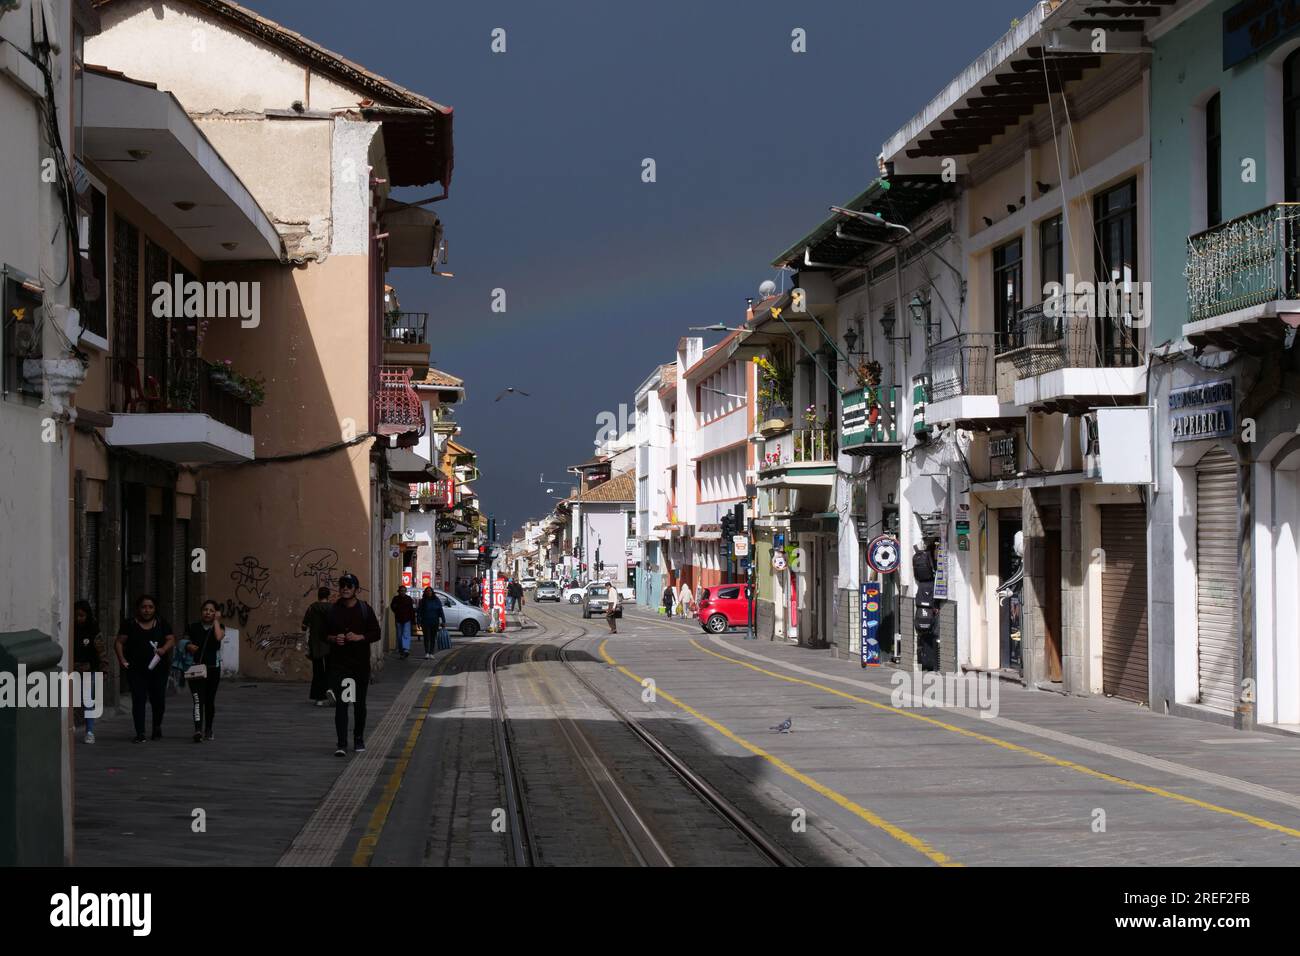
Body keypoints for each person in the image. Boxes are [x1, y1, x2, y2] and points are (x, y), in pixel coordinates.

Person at [325, 573, 381, 756]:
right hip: (341, 666)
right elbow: (323, 634)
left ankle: (358, 739)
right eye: (342, 585)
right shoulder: (333, 610)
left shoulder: (365, 609)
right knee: (342, 704)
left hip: (359, 666)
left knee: (359, 705)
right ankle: (341, 744)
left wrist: (360, 637)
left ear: (356, 589)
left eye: (349, 586)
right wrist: (334, 638)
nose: (345, 589)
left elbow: (376, 633)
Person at [115, 595, 176, 742]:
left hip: (158, 669)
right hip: (136, 669)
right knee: (138, 699)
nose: (147, 610)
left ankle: (157, 726)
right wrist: (122, 660)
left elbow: (171, 639)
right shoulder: (129, 624)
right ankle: (140, 732)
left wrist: (163, 649)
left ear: (155, 609)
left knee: (158, 700)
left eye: (150, 607)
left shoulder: (161, 623)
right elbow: (119, 643)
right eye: (143, 607)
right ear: (138, 609)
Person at [182, 600, 224, 742]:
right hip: (195, 668)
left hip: (213, 669)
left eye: (212, 610)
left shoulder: (219, 626)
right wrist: (188, 645)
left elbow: (218, 637)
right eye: (205, 609)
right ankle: (198, 730)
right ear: (201, 611)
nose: (208, 612)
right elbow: (183, 641)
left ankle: (209, 729)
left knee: (209, 701)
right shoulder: (192, 627)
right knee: (197, 700)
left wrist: (217, 621)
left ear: (216, 613)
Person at [73, 600, 104, 744]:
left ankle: (90, 730)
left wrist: (103, 669)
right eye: (76, 615)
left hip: (89, 669)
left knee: (88, 700)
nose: (79, 618)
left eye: (81, 615)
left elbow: (101, 651)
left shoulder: (93, 630)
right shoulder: (71, 629)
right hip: (72, 669)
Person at [301, 586, 333, 705]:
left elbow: (304, 626)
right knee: (330, 669)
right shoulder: (332, 608)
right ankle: (330, 692)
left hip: (315, 644)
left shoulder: (312, 608)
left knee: (318, 671)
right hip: (330, 644)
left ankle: (319, 698)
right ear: (328, 596)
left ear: (318, 595)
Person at [419, 586, 446, 657]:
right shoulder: (423, 601)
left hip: (434, 621)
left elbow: (440, 610)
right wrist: (418, 621)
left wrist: (443, 621)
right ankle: (427, 652)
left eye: (430, 591)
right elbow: (419, 612)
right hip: (425, 621)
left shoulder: (437, 600)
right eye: (427, 591)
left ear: (432, 592)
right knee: (426, 637)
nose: (429, 592)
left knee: (433, 637)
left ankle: (431, 652)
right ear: (425, 592)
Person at [390, 585, 415, 659]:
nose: (402, 592)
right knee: (399, 636)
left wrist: (413, 620)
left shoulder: (408, 599)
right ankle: (401, 651)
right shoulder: (396, 599)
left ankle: (406, 650)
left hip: (407, 619)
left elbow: (411, 610)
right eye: (401, 591)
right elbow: (392, 606)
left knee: (406, 634)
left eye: (404, 591)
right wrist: (396, 611)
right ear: (399, 591)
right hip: (398, 619)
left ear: (405, 591)